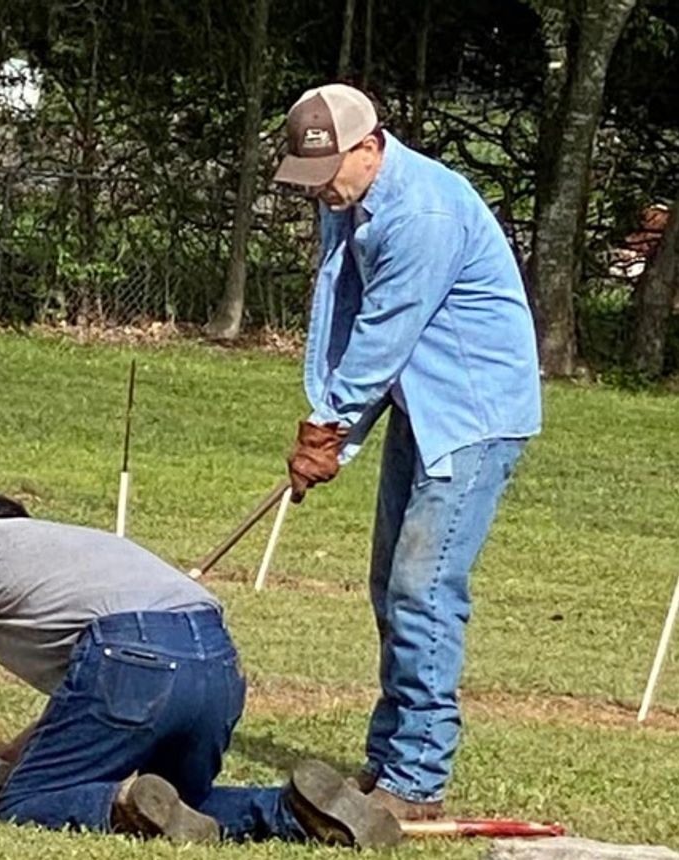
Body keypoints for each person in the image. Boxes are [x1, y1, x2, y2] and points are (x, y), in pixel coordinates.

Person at [272, 83, 541, 820]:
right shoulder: (351, 202)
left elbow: (385, 332)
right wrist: (331, 430)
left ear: (369, 145)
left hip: (473, 415)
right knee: (388, 582)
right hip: (419, 406)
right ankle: (391, 758)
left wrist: (328, 424)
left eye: (328, 172)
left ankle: (417, 780)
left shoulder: (421, 213)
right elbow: (342, 313)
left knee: (423, 589)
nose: (320, 189)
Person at [0, 495, 402, 847]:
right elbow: (83, 700)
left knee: (22, 804)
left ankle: (119, 804)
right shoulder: (74, 549)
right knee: (181, 801)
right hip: (217, 660)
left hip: (130, 660)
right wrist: (11, 754)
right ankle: (294, 812)